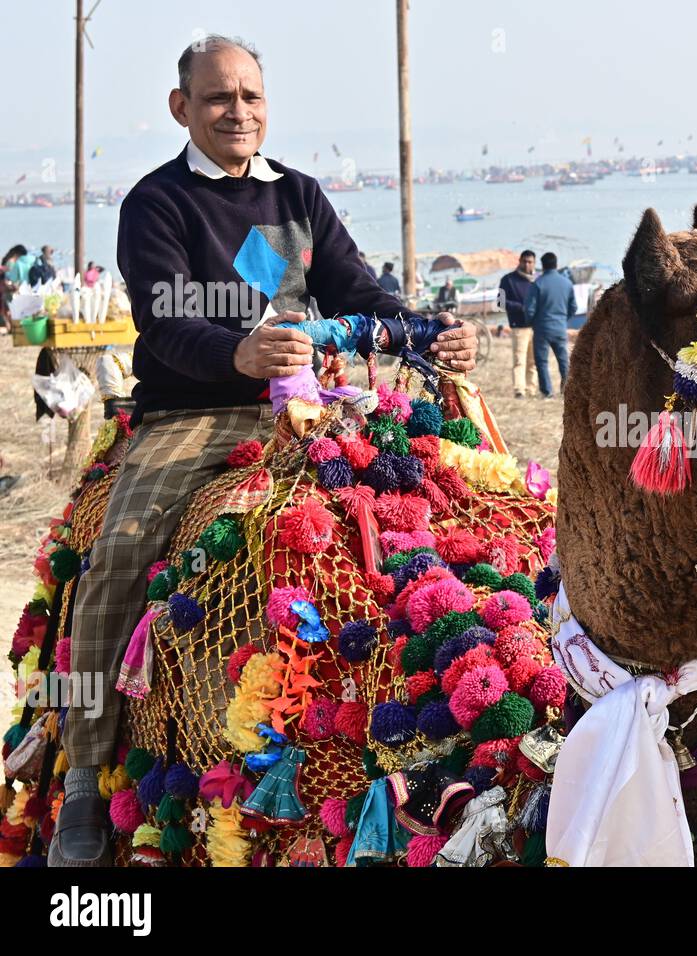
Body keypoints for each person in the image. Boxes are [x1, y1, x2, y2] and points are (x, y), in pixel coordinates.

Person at [48, 34, 477, 867]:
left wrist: (430, 336)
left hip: (309, 411)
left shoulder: (299, 195)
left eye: (250, 96)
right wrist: (237, 354)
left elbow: (359, 293)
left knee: (438, 508)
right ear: (182, 108)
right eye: (218, 98)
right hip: (193, 416)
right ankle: (80, 779)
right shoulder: (156, 203)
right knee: (115, 563)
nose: (237, 112)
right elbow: (166, 325)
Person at [525, 251, 575, 398]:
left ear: (543, 266)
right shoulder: (567, 283)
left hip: (542, 328)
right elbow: (573, 307)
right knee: (563, 360)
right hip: (560, 328)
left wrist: (532, 322)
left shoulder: (538, 284)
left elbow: (530, 309)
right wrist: (563, 319)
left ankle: (547, 392)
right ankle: (567, 390)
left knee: (542, 362)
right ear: (556, 264)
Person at [498, 249, 539, 397]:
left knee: (533, 362)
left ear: (534, 263)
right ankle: (519, 390)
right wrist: (520, 307)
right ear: (520, 261)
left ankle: (531, 389)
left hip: (536, 327)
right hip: (518, 326)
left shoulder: (538, 279)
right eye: (525, 261)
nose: (527, 264)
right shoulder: (507, 280)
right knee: (519, 360)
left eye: (530, 262)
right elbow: (500, 302)